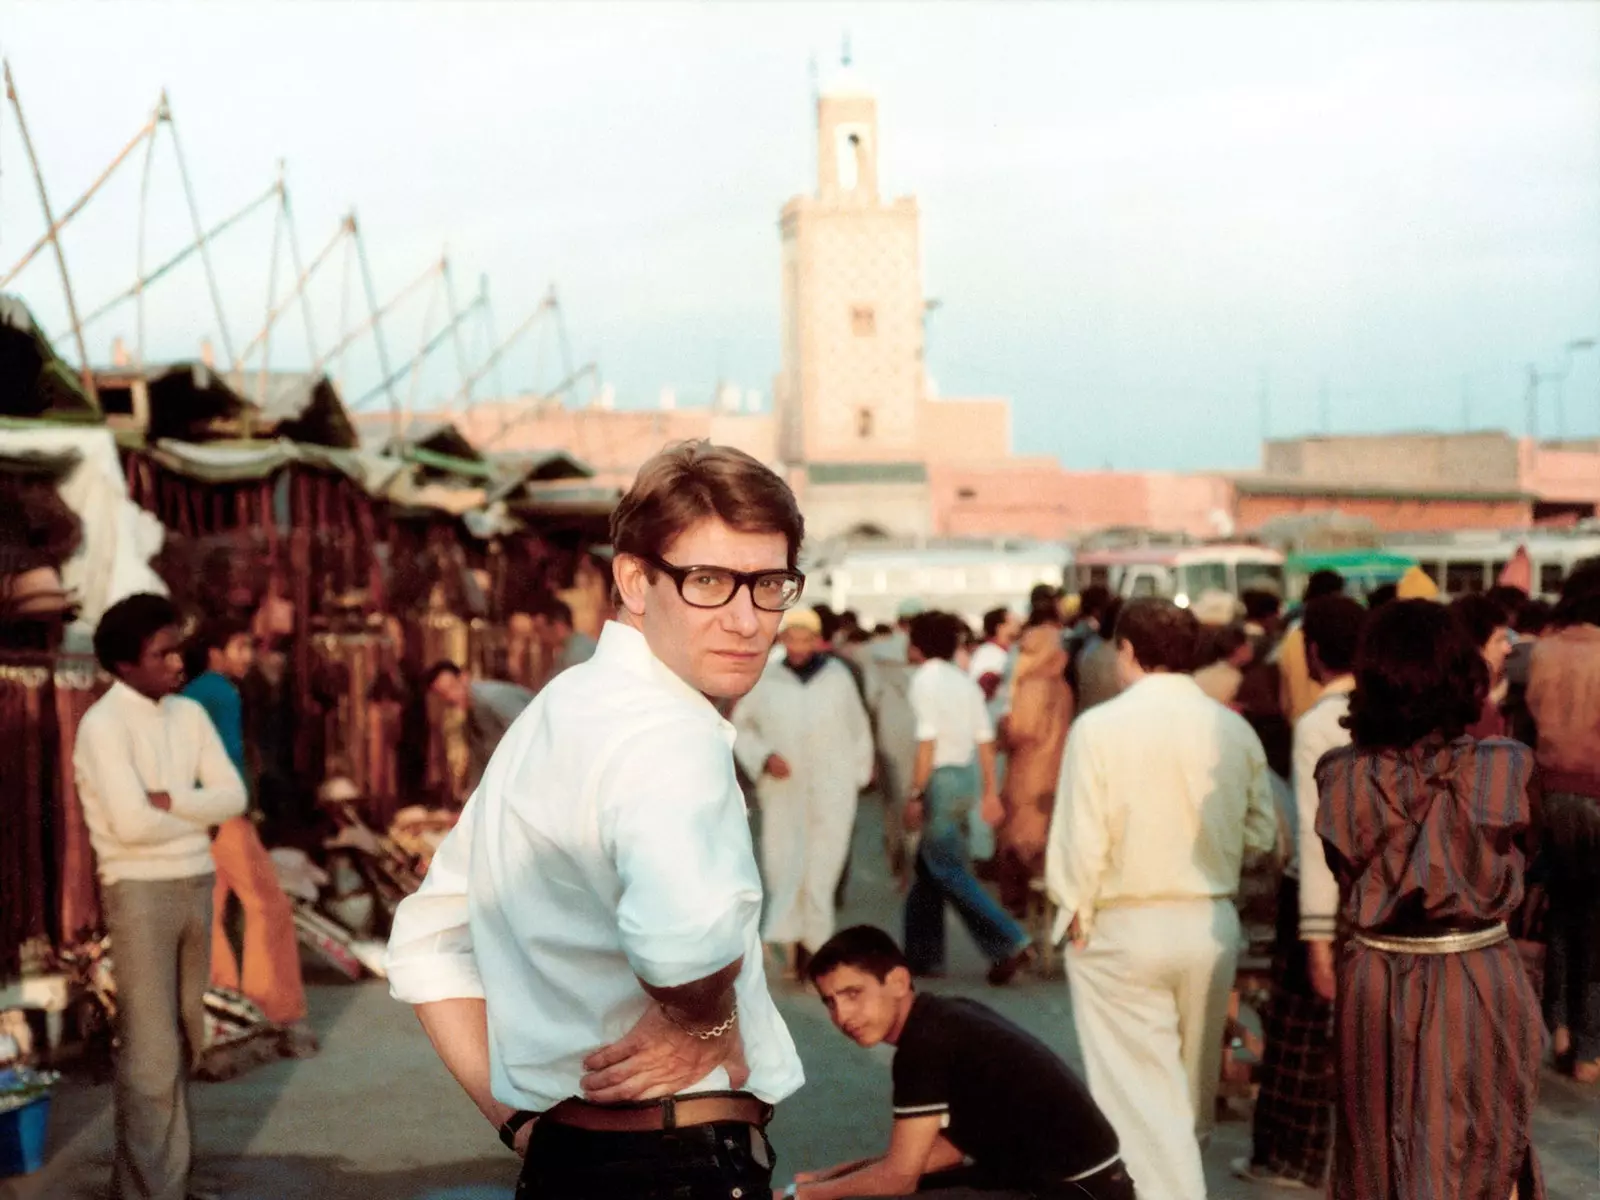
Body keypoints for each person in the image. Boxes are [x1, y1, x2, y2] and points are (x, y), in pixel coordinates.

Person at [386, 441, 806, 1199]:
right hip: (681, 1165)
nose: (747, 620)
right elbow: (683, 949)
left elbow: (424, 946)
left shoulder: (560, 708)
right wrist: (705, 1021)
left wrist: (519, 1124)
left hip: (567, 1162)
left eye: (769, 583)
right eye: (709, 581)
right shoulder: (668, 735)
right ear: (635, 581)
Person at [1046, 597, 1277, 1200]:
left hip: (1123, 926)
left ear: (1127, 650)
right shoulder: (1232, 727)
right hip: (1210, 923)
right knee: (1187, 1093)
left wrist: (1074, 909)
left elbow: (1080, 836)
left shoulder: (1097, 729)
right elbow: (1263, 835)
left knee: (1135, 1092)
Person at [1314, 599, 1544, 1199]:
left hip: (1377, 975)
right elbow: (1530, 857)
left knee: (1377, 1159)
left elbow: (1344, 870)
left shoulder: (1341, 774)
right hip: (1478, 973)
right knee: (1484, 1148)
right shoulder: (1507, 766)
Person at [74, 593, 248, 1200]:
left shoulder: (188, 716)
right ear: (125, 665)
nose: (178, 663)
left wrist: (171, 803)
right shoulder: (102, 726)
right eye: (163, 653)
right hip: (139, 891)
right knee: (150, 1056)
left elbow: (234, 797)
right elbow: (129, 825)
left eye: (177, 649)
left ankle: (149, 1183)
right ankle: (158, 1191)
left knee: (183, 1037)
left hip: (195, 881)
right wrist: (193, 811)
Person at [786, 926, 1134, 1200]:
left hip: (1076, 1190)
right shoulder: (939, 1016)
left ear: (898, 981)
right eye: (830, 1002)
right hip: (1098, 1183)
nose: (842, 1015)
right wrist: (829, 1177)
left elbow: (899, 1177)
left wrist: (806, 1195)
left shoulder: (923, 1043)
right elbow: (939, 1154)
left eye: (853, 994)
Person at [1231, 594, 1365, 1190]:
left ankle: (1293, 1158)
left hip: (1320, 899)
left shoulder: (1319, 723)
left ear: (1312, 651)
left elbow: (1317, 838)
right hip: (1374, 895)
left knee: (1300, 1038)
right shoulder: (1393, 714)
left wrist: (1315, 936)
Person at [182, 618, 316, 1055]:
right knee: (269, 906)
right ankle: (273, 1007)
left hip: (195, 818)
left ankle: (219, 1002)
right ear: (214, 653)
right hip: (225, 815)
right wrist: (239, 805)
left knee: (212, 908)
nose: (246, 656)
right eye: (238, 646)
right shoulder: (222, 691)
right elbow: (231, 756)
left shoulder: (189, 694)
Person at [732, 606, 874, 979]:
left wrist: (857, 776)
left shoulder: (837, 678)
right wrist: (764, 757)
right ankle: (791, 945)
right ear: (782, 639)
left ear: (817, 640)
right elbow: (741, 728)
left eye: (805, 638)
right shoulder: (766, 679)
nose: (798, 645)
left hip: (832, 789)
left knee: (823, 868)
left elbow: (858, 730)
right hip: (784, 791)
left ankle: (816, 950)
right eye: (791, 637)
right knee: (783, 866)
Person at [903, 611, 1034, 985]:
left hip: (940, 779)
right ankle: (923, 957)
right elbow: (985, 741)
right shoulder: (964, 682)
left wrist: (915, 793)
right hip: (966, 776)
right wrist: (990, 791)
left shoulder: (924, 680)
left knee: (947, 868)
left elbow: (926, 742)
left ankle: (1010, 939)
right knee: (929, 871)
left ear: (917, 644)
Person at [1526, 557, 1600, 1083]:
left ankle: (1557, 1030)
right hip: (1598, 798)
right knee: (1596, 928)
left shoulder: (1542, 653)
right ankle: (1591, 1049)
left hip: (1549, 797)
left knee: (1559, 918)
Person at [996, 603, 1073, 915]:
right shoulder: (1061, 684)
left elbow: (1020, 731)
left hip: (1028, 772)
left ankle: (1021, 915)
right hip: (1053, 771)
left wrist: (1001, 729)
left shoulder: (1033, 685)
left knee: (1019, 842)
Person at [421, 661, 535, 795]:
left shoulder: (491, 697)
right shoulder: (470, 716)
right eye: (443, 694)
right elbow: (479, 763)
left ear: (464, 678)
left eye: (452, 687)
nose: (451, 697)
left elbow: (529, 734)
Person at [1276, 569, 1345, 725]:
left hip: (1300, 720)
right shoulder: (1340, 626)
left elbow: (1285, 702)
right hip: (1338, 721)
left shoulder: (1292, 628)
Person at [1450, 593, 1513, 739]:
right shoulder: (1467, 708)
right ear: (1475, 647)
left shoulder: (1502, 693)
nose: (1508, 649)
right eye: (1499, 640)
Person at [1192, 622, 1253, 707]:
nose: (1250, 646)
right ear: (1238, 650)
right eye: (1246, 643)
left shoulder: (1202, 672)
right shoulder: (1235, 679)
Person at [969, 607, 1019, 705]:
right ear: (1000, 627)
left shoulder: (1007, 651)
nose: (1017, 623)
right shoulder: (989, 653)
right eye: (1012, 621)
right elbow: (984, 687)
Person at [540, 596, 598, 677]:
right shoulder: (579, 644)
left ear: (558, 625)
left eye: (540, 630)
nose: (540, 637)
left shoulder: (575, 654)